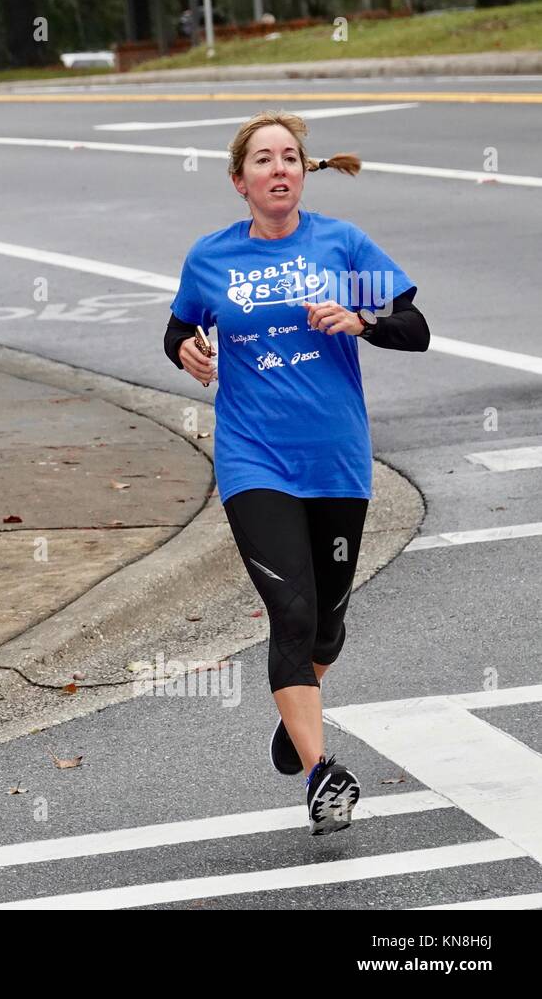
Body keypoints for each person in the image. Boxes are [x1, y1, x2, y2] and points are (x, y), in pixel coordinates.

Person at [162, 111, 430, 836]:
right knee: (293, 612)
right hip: (255, 458)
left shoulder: (344, 246)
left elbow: (417, 328)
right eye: (263, 160)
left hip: (337, 461)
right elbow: (179, 327)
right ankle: (321, 774)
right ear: (239, 180)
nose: (278, 168)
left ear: (304, 171)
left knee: (329, 630)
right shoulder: (211, 257)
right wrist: (186, 348)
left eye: (290, 157)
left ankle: (298, 707)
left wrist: (363, 322)